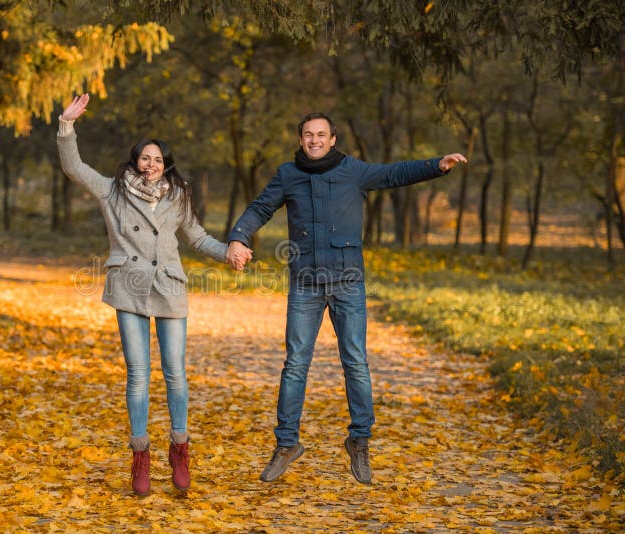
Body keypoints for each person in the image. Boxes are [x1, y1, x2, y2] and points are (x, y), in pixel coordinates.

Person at [226, 112, 467, 484]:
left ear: (333, 138)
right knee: (295, 364)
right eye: (308, 134)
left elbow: (393, 174)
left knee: (356, 362)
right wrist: (240, 236)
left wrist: (437, 166)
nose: (315, 140)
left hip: (348, 281)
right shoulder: (288, 174)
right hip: (305, 281)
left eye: (322, 134)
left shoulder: (353, 171)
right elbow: (261, 207)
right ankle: (287, 444)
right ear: (301, 138)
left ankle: (359, 441)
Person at [57, 94, 251, 496]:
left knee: (176, 374)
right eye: (145, 158)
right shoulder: (112, 191)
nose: (151, 165)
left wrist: (229, 249)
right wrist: (67, 125)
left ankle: (179, 449)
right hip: (128, 285)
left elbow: (196, 237)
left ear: (166, 164)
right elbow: (73, 167)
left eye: (158, 159)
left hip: (169, 286)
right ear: (134, 162)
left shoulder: (177, 195)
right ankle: (140, 457)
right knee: (138, 375)